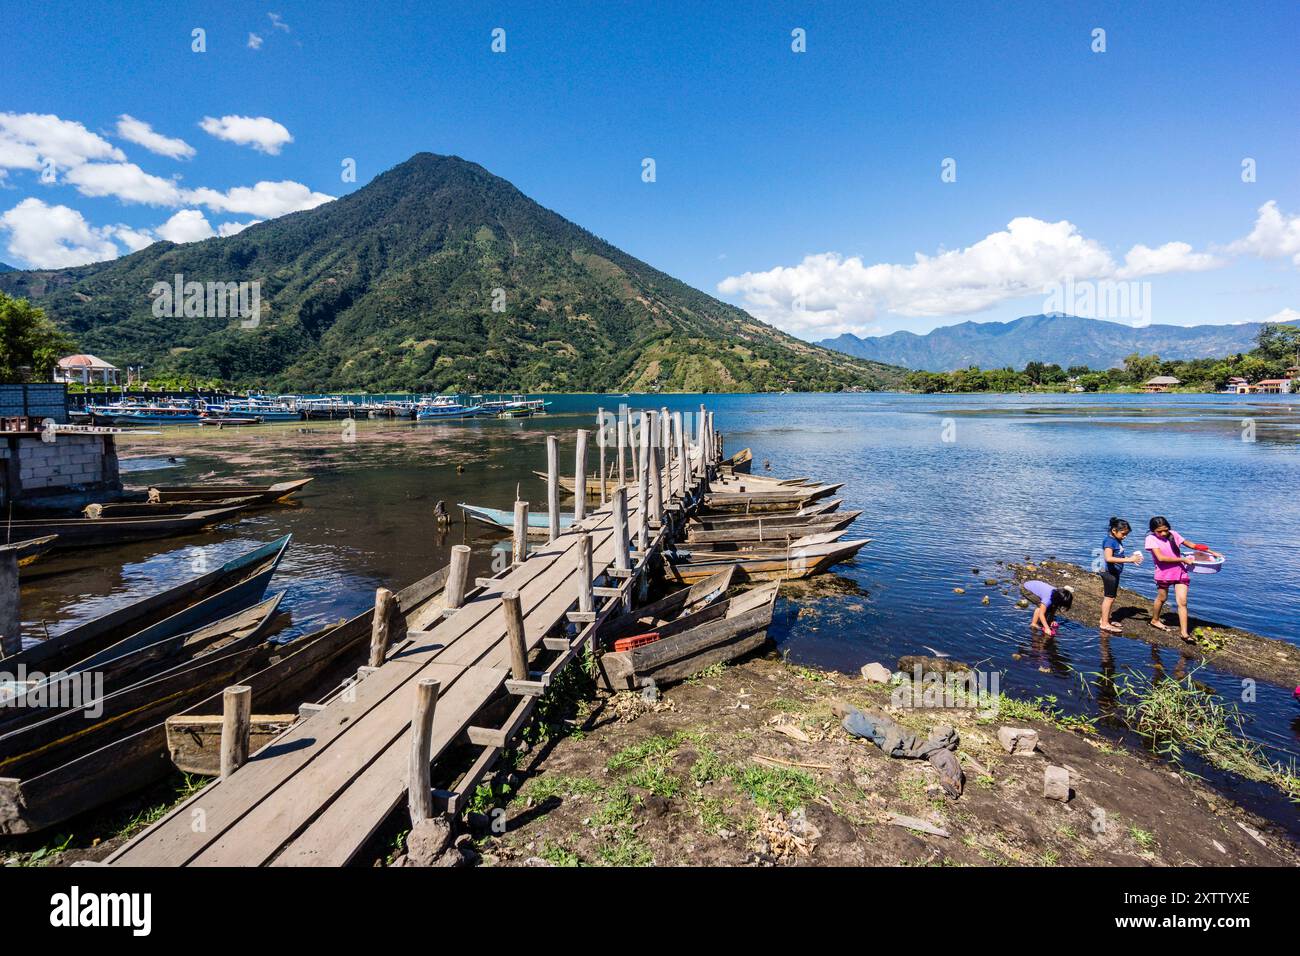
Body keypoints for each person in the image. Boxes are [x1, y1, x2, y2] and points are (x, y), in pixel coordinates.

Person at [1144, 516, 1222, 641]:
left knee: (1183, 602)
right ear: (1153, 530)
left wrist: (1212, 552)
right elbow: (1161, 558)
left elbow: (1192, 545)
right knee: (1162, 598)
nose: (1163, 533)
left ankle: (1184, 633)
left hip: (1180, 572)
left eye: (1166, 530)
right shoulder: (1150, 539)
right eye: (1159, 531)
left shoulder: (1173, 534)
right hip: (1164, 574)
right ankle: (1155, 620)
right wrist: (1183, 559)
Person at [1099, 518, 1143, 633]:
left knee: (1111, 598)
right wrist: (1130, 560)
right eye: (1123, 534)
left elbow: (1117, 555)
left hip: (1114, 572)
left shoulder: (1116, 540)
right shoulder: (1109, 541)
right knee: (1109, 598)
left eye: (1126, 534)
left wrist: (1130, 558)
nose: (1125, 537)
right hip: (1109, 572)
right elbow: (1108, 558)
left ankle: (1105, 619)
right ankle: (1104, 624)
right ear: (1114, 530)